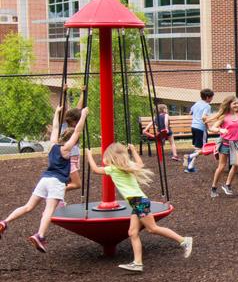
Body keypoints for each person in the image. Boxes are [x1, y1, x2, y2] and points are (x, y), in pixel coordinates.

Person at [85, 143, 193, 272]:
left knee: (152, 228)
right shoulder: (126, 167)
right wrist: (134, 151)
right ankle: (137, 263)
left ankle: (184, 240)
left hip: (138, 202)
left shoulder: (113, 169)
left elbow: (95, 170)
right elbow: (140, 164)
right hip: (138, 202)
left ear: (111, 157)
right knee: (132, 232)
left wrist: (89, 155)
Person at [0, 107, 88, 252]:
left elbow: (54, 127)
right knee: (49, 211)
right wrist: (83, 115)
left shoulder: (53, 145)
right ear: (71, 140)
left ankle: (4, 221)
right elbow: (77, 131)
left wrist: (57, 112)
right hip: (57, 182)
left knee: (28, 206)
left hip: (45, 179)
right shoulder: (66, 149)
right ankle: (39, 235)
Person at [184, 88, 214, 173]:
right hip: (201, 128)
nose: (212, 99)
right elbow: (204, 118)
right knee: (205, 148)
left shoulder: (197, 103)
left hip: (193, 126)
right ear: (208, 97)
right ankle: (190, 156)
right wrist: (208, 127)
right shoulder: (207, 106)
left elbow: (190, 112)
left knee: (198, 148)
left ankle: (190, 167)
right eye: (211, 97)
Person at [62, 107, 84, 192]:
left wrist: (82, 94)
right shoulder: (65, 127)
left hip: (74, 159)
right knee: (77, 184)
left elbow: (78, 108)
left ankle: (58, 199)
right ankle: (55, 191)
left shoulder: (74, 126)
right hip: (70, 160)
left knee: (68, 182)